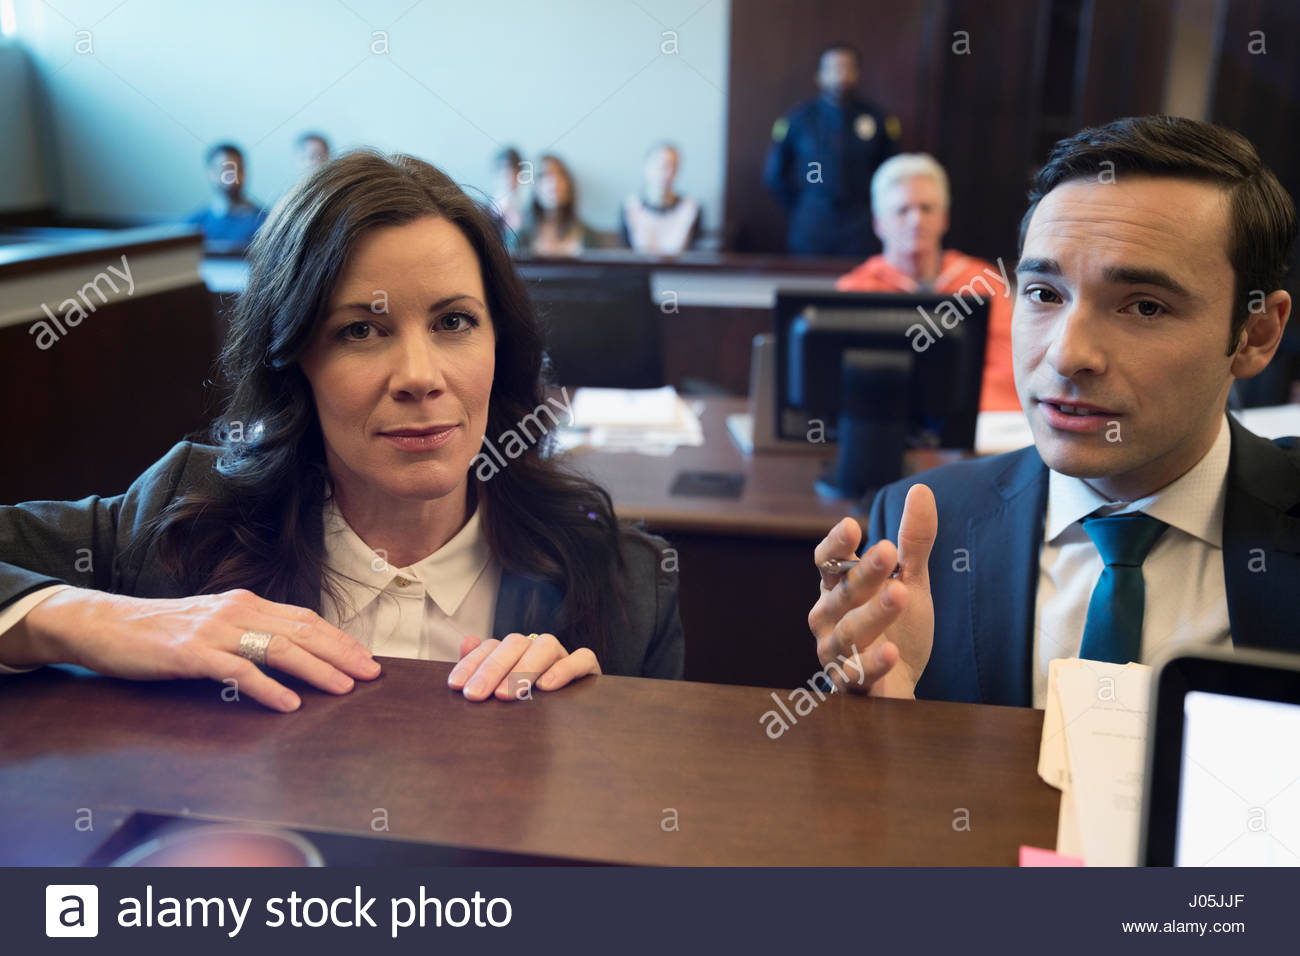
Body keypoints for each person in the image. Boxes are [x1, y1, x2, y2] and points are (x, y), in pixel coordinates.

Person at [0, 152, 684, 710]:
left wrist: (599, 738)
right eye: (361, 330)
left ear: (501, 344)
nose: (420, 377)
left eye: (454, 322)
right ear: (296, 361)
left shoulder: (628, 583)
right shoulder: (185, 515)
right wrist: (97, 622)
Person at [809, 115, 1299, 708]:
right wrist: (882, 728)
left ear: (1255, 334)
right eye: (1044, 294)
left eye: (1144, 307)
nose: (1068, 354)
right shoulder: (922, 526)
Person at [836, 153, 1019, 411]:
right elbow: (844, 378)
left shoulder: (982, 282)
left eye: (927, 208)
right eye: (902, 210)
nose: (916, 220)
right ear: (879, 224)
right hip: (882, 424)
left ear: (944, 219)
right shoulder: (855, 289)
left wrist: (940, 404)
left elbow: (1009, 370)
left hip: (972, 426)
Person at [763, 44, 900, 256]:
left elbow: (892, 173)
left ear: (857, 73)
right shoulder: (800, 118)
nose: (841, 75)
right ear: (820, 75)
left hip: (861, 224)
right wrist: (804, 207)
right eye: (834, 68)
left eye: (847, 68)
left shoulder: (877, 118)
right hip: (813, 222)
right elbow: (775, 175)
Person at [621, 142, 701, 256]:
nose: (665, 172)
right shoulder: (630, 207)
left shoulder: (691, 208)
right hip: (639, 271)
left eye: (671, 165)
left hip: (677, 272)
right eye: (658, 164)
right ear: (645, 166)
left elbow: (694, 253)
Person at [185, 142, 268, 252]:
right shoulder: (193, 224)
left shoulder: (265, 222)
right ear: (211, 173)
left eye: (239, 169)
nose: (233, 176)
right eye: (226, 170)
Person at [525, 154, 597, 257]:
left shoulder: (589, 235)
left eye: (560, 175)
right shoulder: (520, 237)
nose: (554, 183)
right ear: (534, 187)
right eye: (545, 176)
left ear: (569, 186)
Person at [488, 146, 528, 252]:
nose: (509, 177)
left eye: (515, 171)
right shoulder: (483, 212)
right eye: (504, 171)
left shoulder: (528, 211)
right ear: (495, 174)